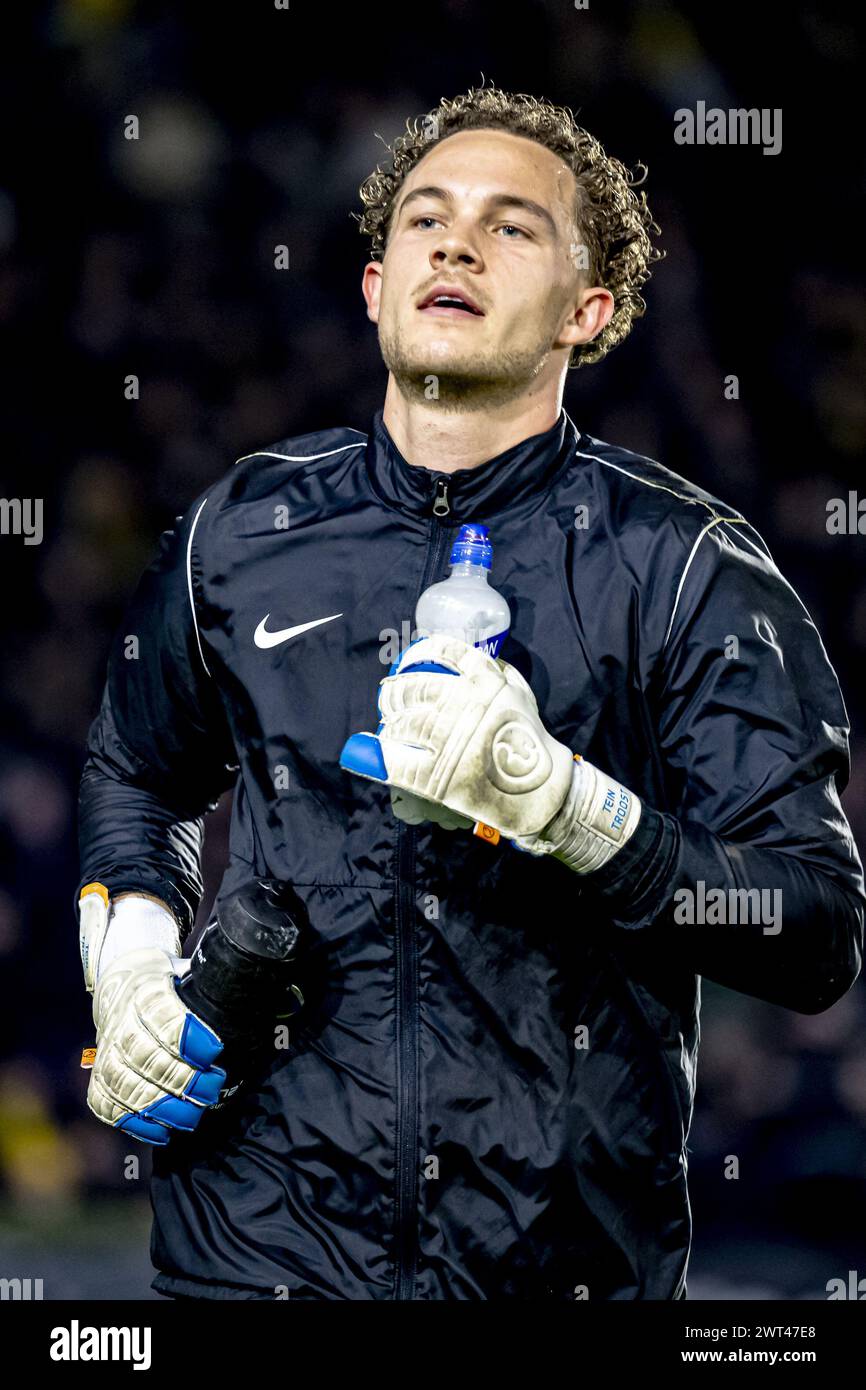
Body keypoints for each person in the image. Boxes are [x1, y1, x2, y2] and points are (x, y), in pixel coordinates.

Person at [76, 83, 864, 1301]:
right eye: (426, 220)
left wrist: (572, 812)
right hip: (249, 1262)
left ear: (584, 311)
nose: (455, 244)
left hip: (553, 1272)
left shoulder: (682, 569)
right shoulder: (236, 532)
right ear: (375, 284)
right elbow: (137, 768)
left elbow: (811, 928)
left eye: (510, 226)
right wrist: (130, 952)